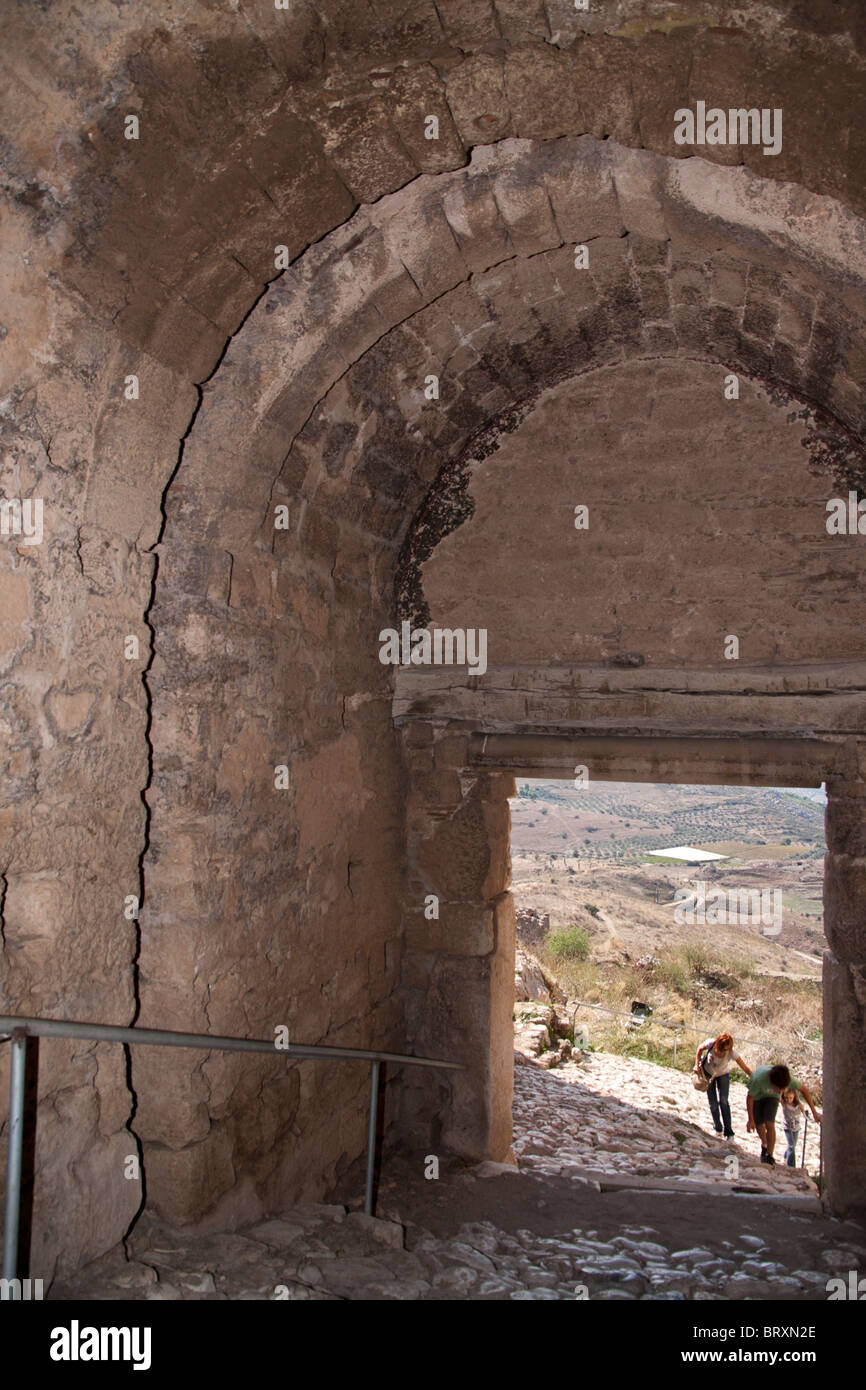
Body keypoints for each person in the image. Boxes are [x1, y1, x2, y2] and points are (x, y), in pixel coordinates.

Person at [746, 1063, 821, 1165]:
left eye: (783, 1089)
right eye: (779, 1088)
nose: (781, 1091)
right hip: (757, 1098)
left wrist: (814, 1112)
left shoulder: (787, 1080)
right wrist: (751, 1119)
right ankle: (764, 1143)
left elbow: (804, 1090)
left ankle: (769, 1155)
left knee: (770, 1123)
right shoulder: (758, 1080)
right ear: (771, 1082)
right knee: (759, 1125)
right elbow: (750, 1098)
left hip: (772, 1098)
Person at [694, 1032, 752, 1138]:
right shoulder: (711, 1043)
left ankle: (729, 1132)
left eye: (726, 1049)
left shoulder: (731, 1052)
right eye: (722, 1049)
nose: (723, 1052)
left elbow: (744, 1066)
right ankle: (717, 1128)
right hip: (708, 1074)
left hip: (723, 1075)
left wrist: (754, 1077)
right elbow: (699, 1049)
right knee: (713, 1102)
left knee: (724, 1101)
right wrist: (696, 1065)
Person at [780, 1086, 803, 1167]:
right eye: (786, 1098)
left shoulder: (799, 1104)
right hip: (787, 1127)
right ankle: (791, 1166)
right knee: (792, 1146)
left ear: (794, 1097)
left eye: (790, 1098)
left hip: (796, 1127)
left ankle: (785, 1156)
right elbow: (780, 1093)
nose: (788, 1100)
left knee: (793, 1145)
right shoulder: (784, 1104)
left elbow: (804, 1112)